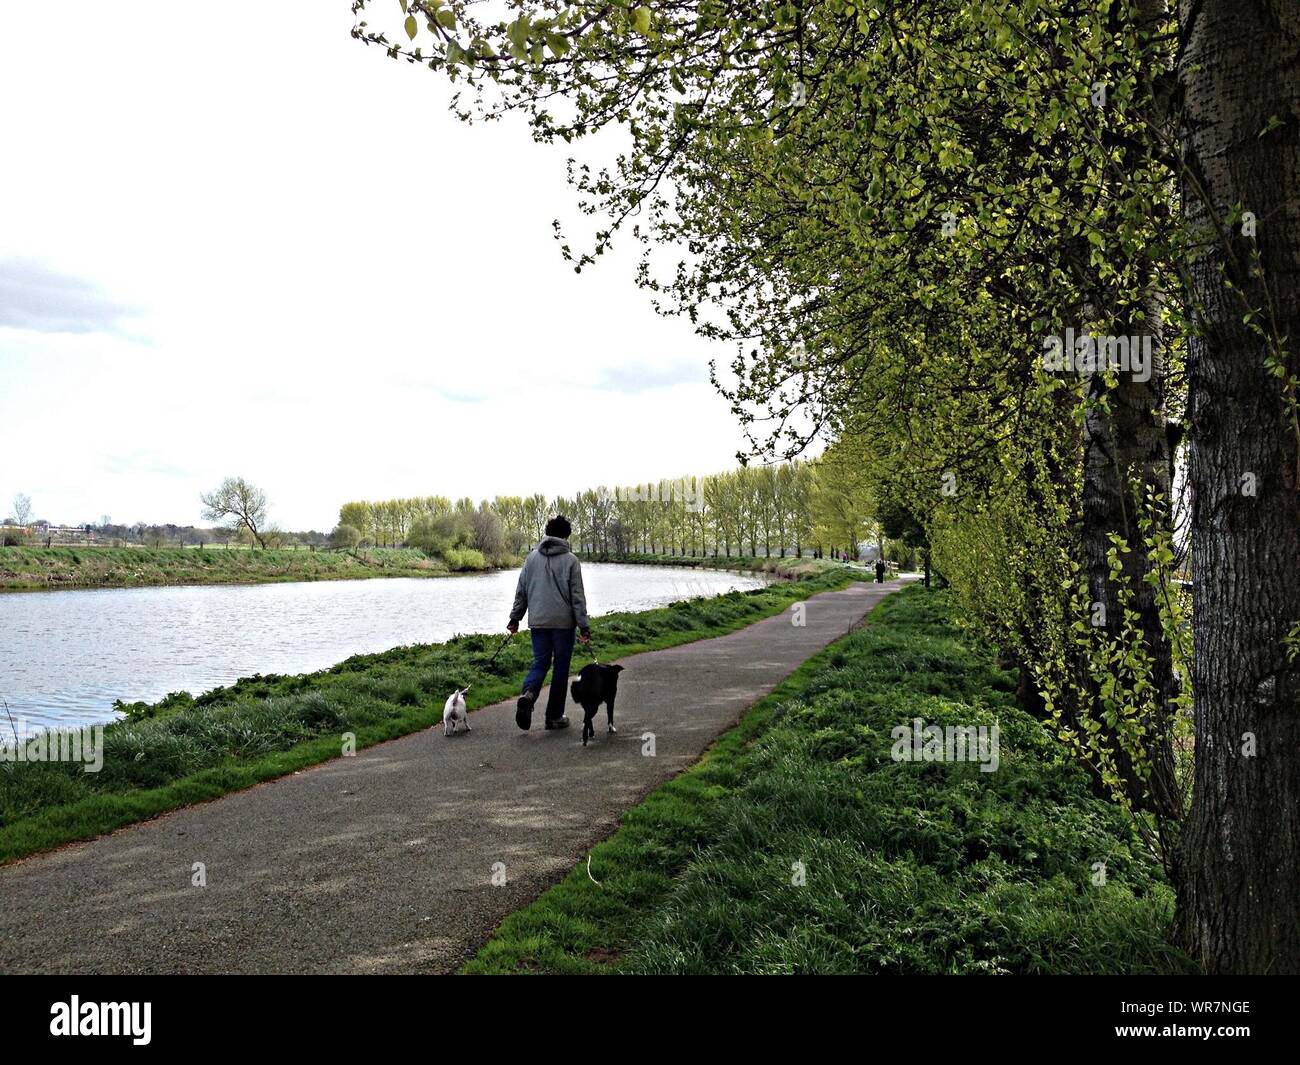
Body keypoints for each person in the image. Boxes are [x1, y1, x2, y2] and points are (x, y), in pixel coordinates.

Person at [507, 515, 591, 731]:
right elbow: (577, 596)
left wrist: (515, 618)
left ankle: (529, 694)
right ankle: (553, 717)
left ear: (547, 532)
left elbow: (522, 591)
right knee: (560, 668)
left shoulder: (531, 558)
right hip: (563, 624)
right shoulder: (571, 560)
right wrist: (584, 626)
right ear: (565, 536)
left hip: (538, 622)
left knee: (540, 663)